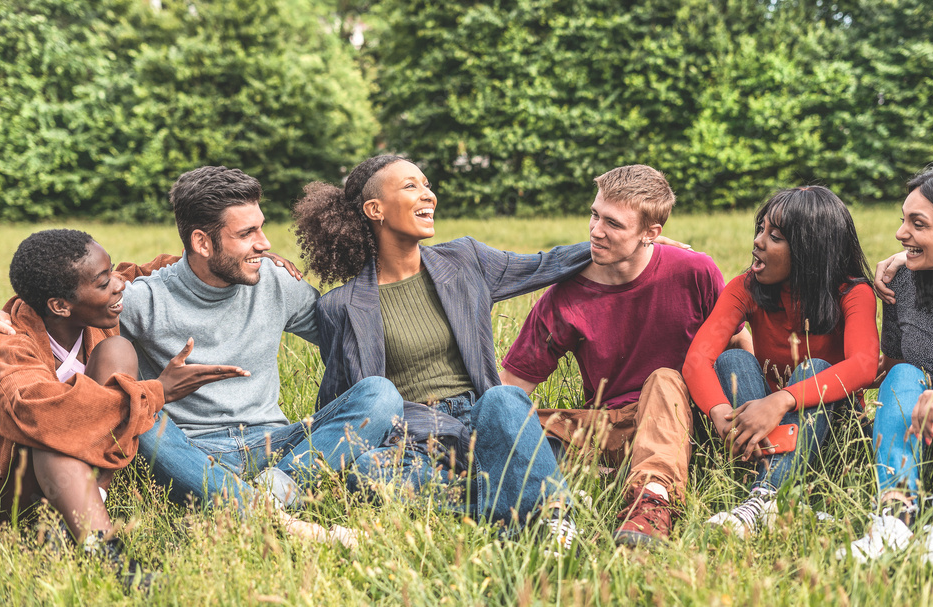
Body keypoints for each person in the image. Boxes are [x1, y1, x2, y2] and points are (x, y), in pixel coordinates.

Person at [0, 167, 403, 535]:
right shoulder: (140, 300)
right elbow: (62, 302)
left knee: (380, 394)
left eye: (262, 228)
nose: (265, 243)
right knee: (139, 415)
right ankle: (275, 516)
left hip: (275, 440)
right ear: (201, 243)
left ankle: (265, 498)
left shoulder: (276, 284)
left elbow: (349, 330)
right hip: (189, 451)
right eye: (248, 233)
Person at [294, 154, 595, 549]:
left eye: (427, 184)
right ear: (375, 210)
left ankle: (551, 518)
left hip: (480, 419)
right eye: (411, 186)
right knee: (366, 471)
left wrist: (626, 244)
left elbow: (544, 264)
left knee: (505, 398)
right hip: (411, 437)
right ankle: (524, 488)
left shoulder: (466, 260)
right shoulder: (340, 307)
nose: (429, 195)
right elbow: (343, 402)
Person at [0, 229, 246, 586]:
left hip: (81, 472)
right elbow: (46, 416)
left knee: (118, 351)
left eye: (112, 271)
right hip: (14, 483)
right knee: (53, 433)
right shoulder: (5, 343)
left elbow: (154, 272)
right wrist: (157, 391)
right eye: (103, 283)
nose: (118, 285)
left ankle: (82, 510)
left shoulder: (88, 314)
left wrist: (243, 258)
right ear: (59, 305)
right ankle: (107, 555)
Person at [499, 164, 750, 545]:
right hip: (610, 427)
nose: (596, 231)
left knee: (664, 378)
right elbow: (510, 390)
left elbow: (738, 350)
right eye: (594, 215)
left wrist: (745, 422)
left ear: (651, 233)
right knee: (517, 423)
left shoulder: (694, 271)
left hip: (683, 420)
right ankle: (600, 474)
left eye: (613, 224)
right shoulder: (566, 296)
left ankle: (651, 505)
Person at [682, 185, 879, 537]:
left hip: (836, 429)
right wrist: (719, 415)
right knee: (733, 360)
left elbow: (864, 365)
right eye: (761, 229)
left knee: (815, 368)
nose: (758, 241)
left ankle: (766, 494)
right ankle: (777, 495)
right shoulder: (746, 287)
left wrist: (782, 398)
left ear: (810, 250)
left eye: (775, 236)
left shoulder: (852, 292)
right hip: (762, 429)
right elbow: (697, 359)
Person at [843, 166, 933, 570]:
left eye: (918, 224)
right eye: (903, 219)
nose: (900, 234)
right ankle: (895, 516)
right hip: (919, 426)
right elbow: (895, 366)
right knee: (901, 374)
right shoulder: (904, 282)